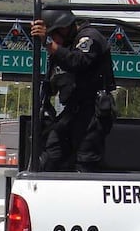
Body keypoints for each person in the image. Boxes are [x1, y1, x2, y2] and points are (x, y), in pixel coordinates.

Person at [30, 9, 116, 171]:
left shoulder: (89, 37)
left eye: (53, 34)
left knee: (85, 162)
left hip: (92, 112)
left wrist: (49, 43)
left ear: (63, 28)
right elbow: (56, 80)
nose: (53, 40)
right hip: (72, 111)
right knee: (52, 151)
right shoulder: (65, 47)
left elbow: (78, 61)